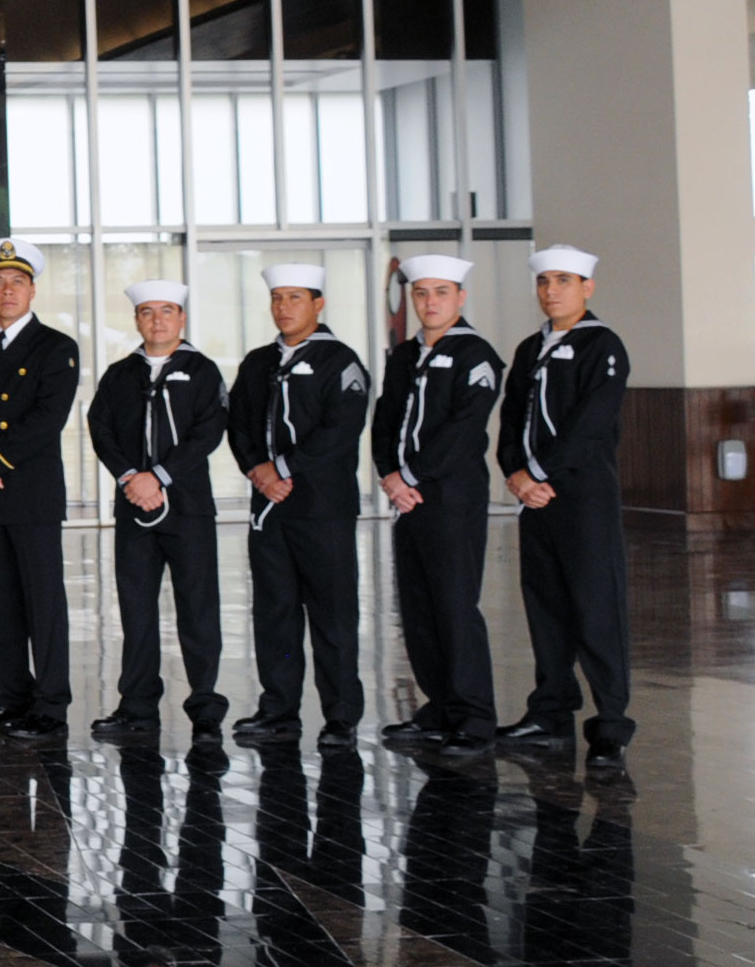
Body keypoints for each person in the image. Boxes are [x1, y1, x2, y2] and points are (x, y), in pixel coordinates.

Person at [496, 245, 635, 771]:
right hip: (535, 501)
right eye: (545, 281)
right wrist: (515, 473)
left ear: (587, 288)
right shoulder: (530, 347)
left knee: (596, 611)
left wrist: (539, 473)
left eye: (564, 280)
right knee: (547, 608)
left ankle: (611, 727)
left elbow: (591, 424)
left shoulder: (603, 345)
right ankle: (550, 714)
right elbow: (511, 420)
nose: (551, 290)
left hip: (583, 500)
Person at [227, 264, 370, 749]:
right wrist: (257, 470)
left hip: (322, 509)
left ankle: (341, 715)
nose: (283, 308)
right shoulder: (257, 362)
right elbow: (239, 426)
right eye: (277, 298)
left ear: (318, 304)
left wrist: (282, 467)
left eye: (294, 298)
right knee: (275, 613)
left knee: (332, 615)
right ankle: (279, 709)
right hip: (270, 509)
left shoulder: (341, 362)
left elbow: (340, 430)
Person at [84, 280, 229, 741]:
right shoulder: (119, 374)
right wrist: (131, 477)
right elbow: (100, 428)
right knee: (137, 609)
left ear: (181, 318)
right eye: (148, 312)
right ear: (137, 320)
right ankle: (137, 705)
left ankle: (205, 706)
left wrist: (159, 477)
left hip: (187, 509)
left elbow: (208, 432)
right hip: (134, 510)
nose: (158, 320)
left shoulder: (203, 371)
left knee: (198, 608)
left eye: (167, 311)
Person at [374, 253, 505, 754]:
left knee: (454, 605)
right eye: (421, 294)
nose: (430, 303)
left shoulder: (477, 355)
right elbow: (385, 420)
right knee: (419, 607)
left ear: (460, 297)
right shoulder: (405, 355)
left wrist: (410, 474)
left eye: (441, 293)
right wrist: (389, 474)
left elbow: (463, 430)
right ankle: (440, 705)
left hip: (451, 499)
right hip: (406, 499)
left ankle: (474, 715)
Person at [0, 240, 81, 742]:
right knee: (1, 603)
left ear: (32, 290)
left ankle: (50, 705)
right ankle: (12, 696)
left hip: (29, 490)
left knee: (42, 603)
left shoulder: (56, 347)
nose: (8, 291)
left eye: (17, 283)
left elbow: (46, 419)